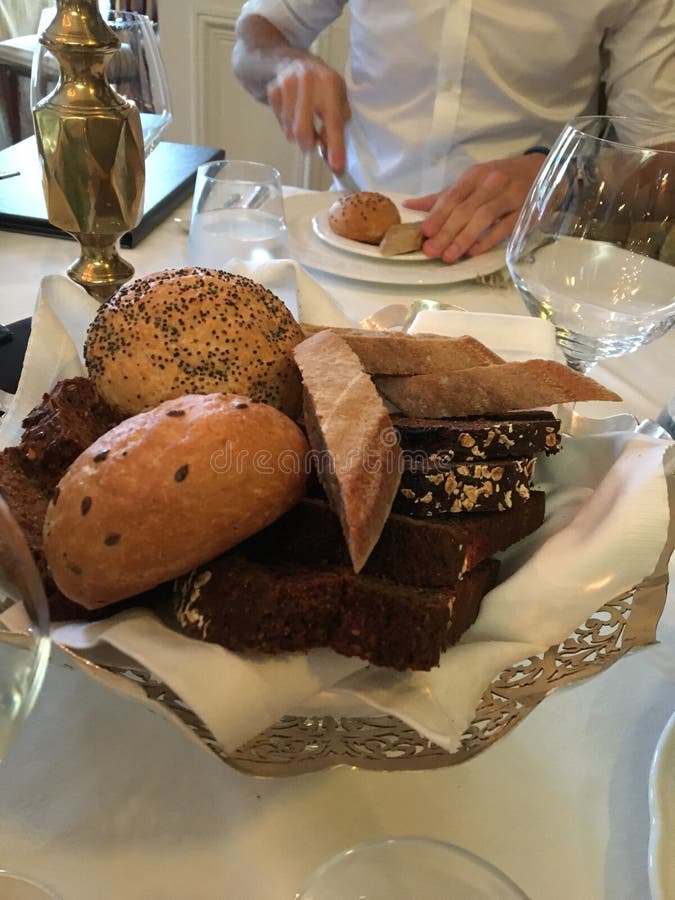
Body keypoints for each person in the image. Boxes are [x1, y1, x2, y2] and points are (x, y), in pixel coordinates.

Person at [232, 0, 675, 264]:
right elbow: (255, 38)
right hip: (348, 251)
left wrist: (564, 177)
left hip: (521, 264)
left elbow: (663, 170)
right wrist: (286, 62)